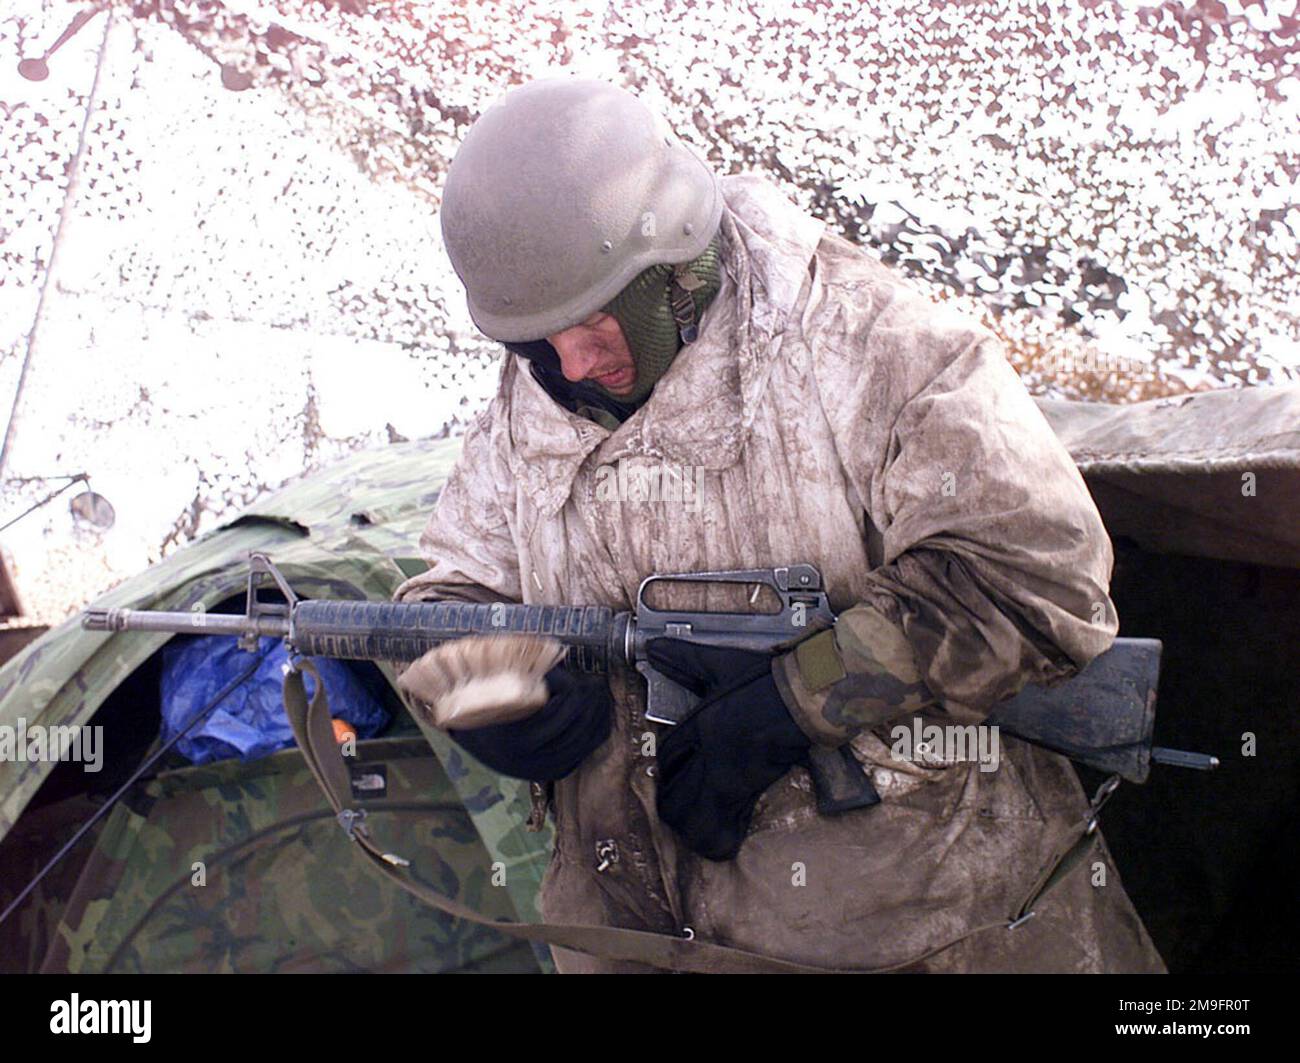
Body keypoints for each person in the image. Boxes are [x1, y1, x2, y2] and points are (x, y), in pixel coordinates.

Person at [393, 77, 1166, 973]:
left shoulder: (855, 336)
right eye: (535, 339)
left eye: (600, 318)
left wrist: (793, 704)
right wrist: (478, 690)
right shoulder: (534, 394)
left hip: (917, 936)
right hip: (628, 938)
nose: (573, 362)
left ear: (673, 264)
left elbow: (1037, 573)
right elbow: (451, 591)